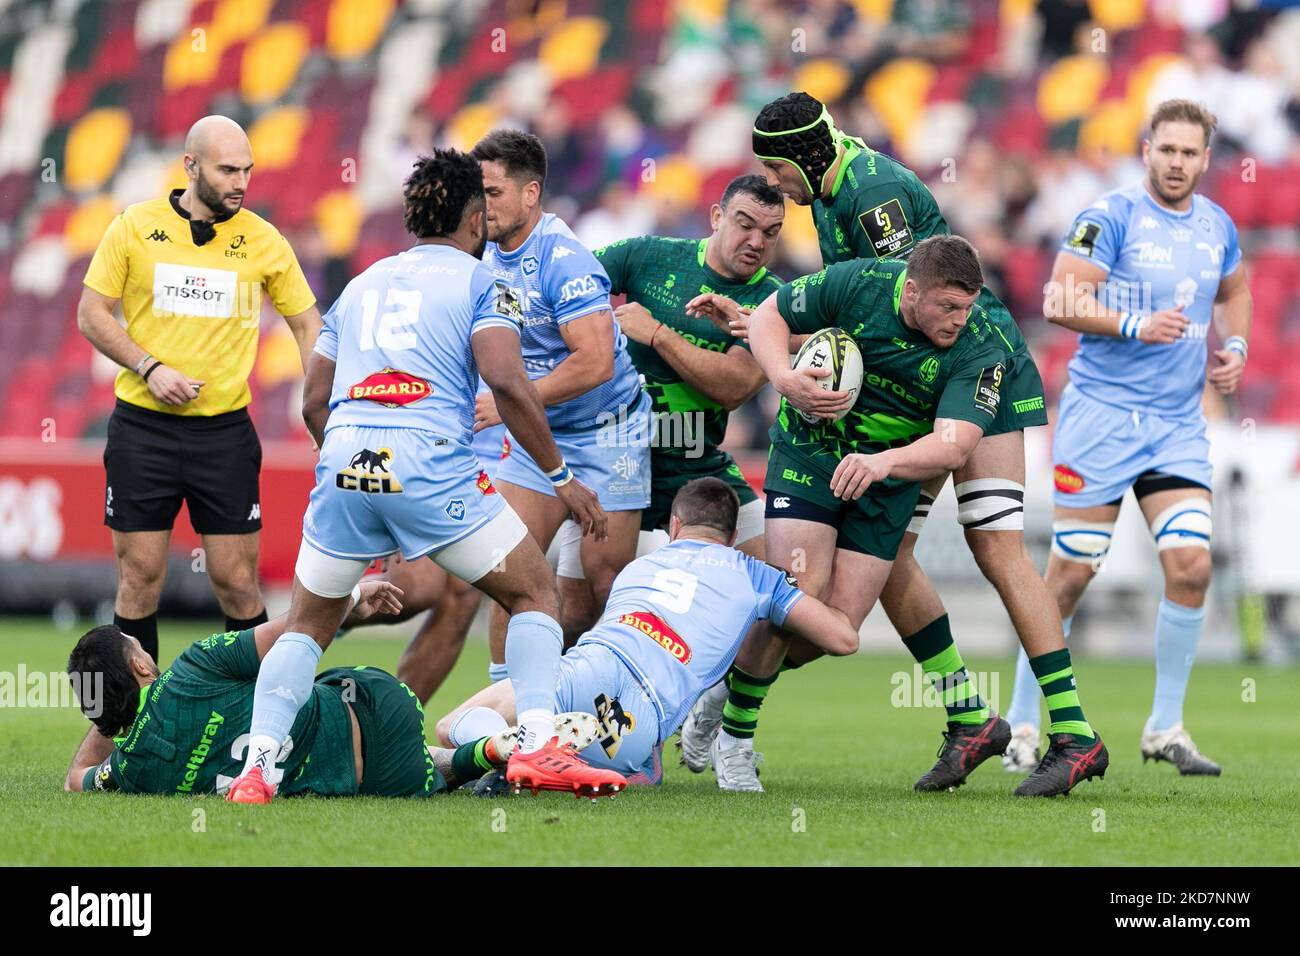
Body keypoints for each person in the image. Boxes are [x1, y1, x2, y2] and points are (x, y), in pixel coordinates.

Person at [684, 91, 1084, 793]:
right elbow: (858, 316)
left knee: (993, 546)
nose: (775, 188)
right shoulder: (835, 193)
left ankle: (1072, 730)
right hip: (930, 374)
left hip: (966, 368)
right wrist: (759, 322)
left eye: (777, 172)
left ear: (803, 157)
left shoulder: (873, 199)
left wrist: (778, 342)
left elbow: (912, 316)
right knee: (887, 555)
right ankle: (970, 716)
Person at [222, 148, 616, 804]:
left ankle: (257, 769)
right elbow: (509, 383)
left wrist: (365, 488)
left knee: (307, 627)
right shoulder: (477, 281)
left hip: (345, 457)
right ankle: (539, 745)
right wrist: (561, 475)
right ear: (473, 217)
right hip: (430, 458)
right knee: (534, 594)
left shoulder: (363, 284)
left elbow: (312, 402)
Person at [718, 236, 1108, 797]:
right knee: (795, 596)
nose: (960, 319)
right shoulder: (857, 281)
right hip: (809, 458)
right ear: (911, 287)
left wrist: (882, 464)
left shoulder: (980, 344)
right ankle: (733, 733)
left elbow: (952, 447)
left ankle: (1043, 725)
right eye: (948, 306)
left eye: (968, 306)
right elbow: (772, 316)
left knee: (838, 630)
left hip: (884, 475)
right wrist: (783, 378)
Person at [1002, 99, 1251, 777]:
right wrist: (1137, 325)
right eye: (1165, 150)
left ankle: (1165, 725)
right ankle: (1024, 720)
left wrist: (1235, 343)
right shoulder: (1108, 217)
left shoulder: (1217, 226)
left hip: (1174, 427)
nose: (1176, 163)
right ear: (1147, 150)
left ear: (1206, 158)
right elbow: (1059, 301)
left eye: (1188, 153)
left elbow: (1235, 289)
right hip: (1101, 420)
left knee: (1193, 567)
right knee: (1070, 577)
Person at [77, 115, 322, 662]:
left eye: (248, 171)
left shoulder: (263, 239)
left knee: (237, 582)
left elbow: (308, 326)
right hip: (143, 430)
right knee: (139, 578)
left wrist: (319, 412)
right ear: (190, 166)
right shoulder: (134, 227)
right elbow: (91, 314)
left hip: (224, 435)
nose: (241, 181)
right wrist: (148, 366)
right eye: (228, 169)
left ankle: (255, 723)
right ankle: (136, 725)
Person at [434, 478, 861, 787]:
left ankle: (505, 752)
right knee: (635, 765)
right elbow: (843, 640)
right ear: (732, 536)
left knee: (449, 726)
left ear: (675, 526)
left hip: (589, 668)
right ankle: (569, 762)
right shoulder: (755, 574)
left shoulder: (640, 568)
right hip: (641, 720)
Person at [63, 580, 604, 798]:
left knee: (427, 771)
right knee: (306, 682)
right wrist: (351, 603)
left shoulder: (128, 774)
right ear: (139, 663)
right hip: (374, 707)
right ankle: (503, 743)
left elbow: (73, 779)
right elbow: (292, 631)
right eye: (137, 646)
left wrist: (107, 711)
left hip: (375, 781)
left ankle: (480, 755)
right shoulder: (190, 668)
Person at [548, 174, 785, 641]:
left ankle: (716, 711)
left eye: (770, 232)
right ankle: (548, 707)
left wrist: (656, 333)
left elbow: (734, 386)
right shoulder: (648, 256)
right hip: (617, 453)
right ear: (716, 218)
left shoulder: (773, 301)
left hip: (698, 464)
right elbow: (563, 294)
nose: (756, 241)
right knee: (581, 609)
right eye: (745, 224)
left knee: (773, 592)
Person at [468, 130, 653, 682]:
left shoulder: (564, 259)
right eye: (478, 193)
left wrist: (509, 403)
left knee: (601, 587)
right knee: (510, 570)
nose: (483, 205)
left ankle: (606, 707)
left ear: (531, 194)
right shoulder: (480, 252)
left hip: (608, 432)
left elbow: (595, 361)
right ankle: (503, 724)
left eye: (493, 192)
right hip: (535, 433)